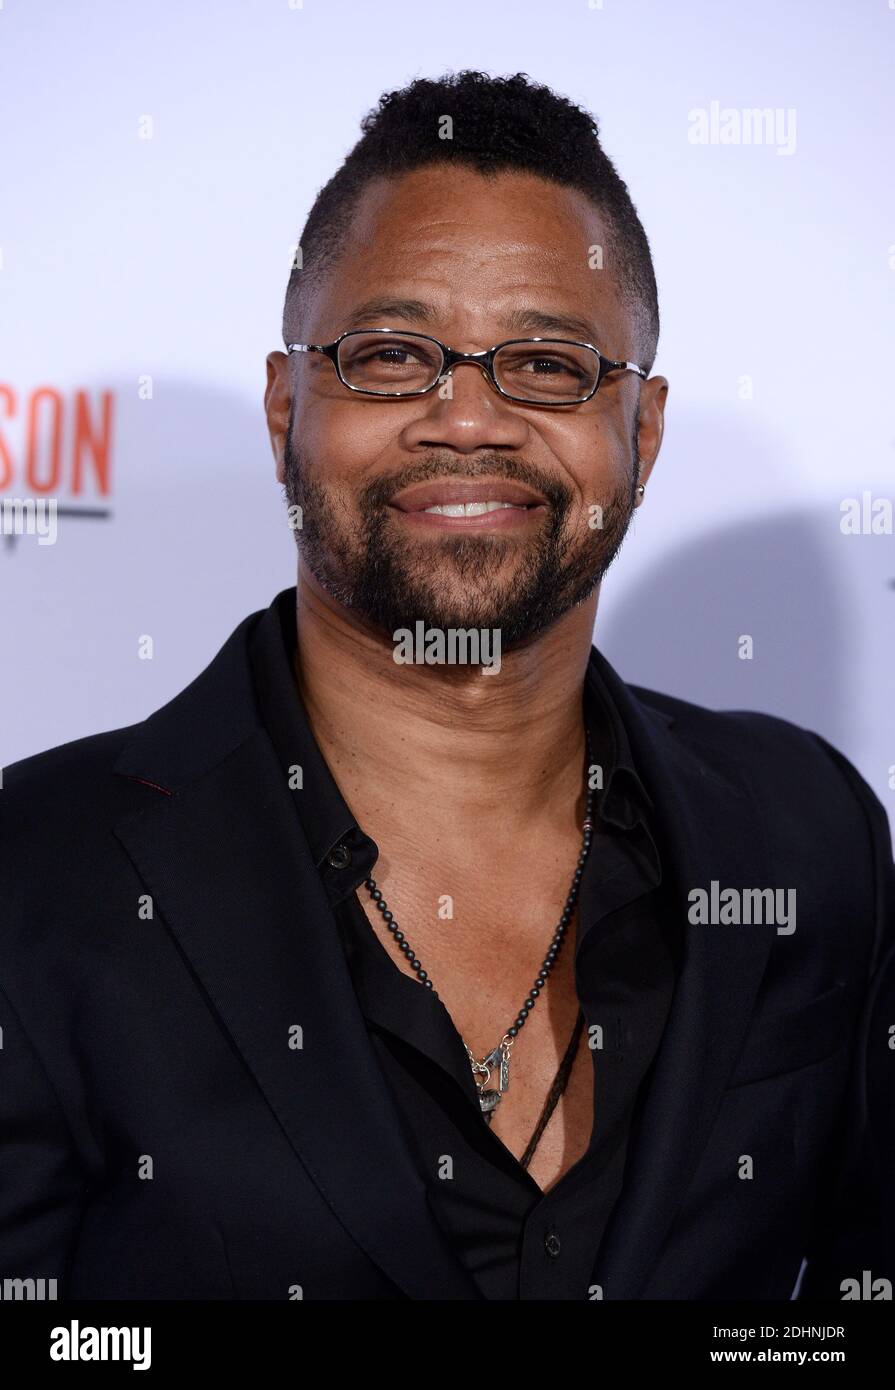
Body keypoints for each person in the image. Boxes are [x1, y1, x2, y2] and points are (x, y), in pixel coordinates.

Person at [1, 71, 892, 1302]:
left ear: (643, 429)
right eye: (390, 355)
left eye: (543, 362)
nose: (464, 417)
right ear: (284, 410)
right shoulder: (34, 874)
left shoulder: (809, 832)